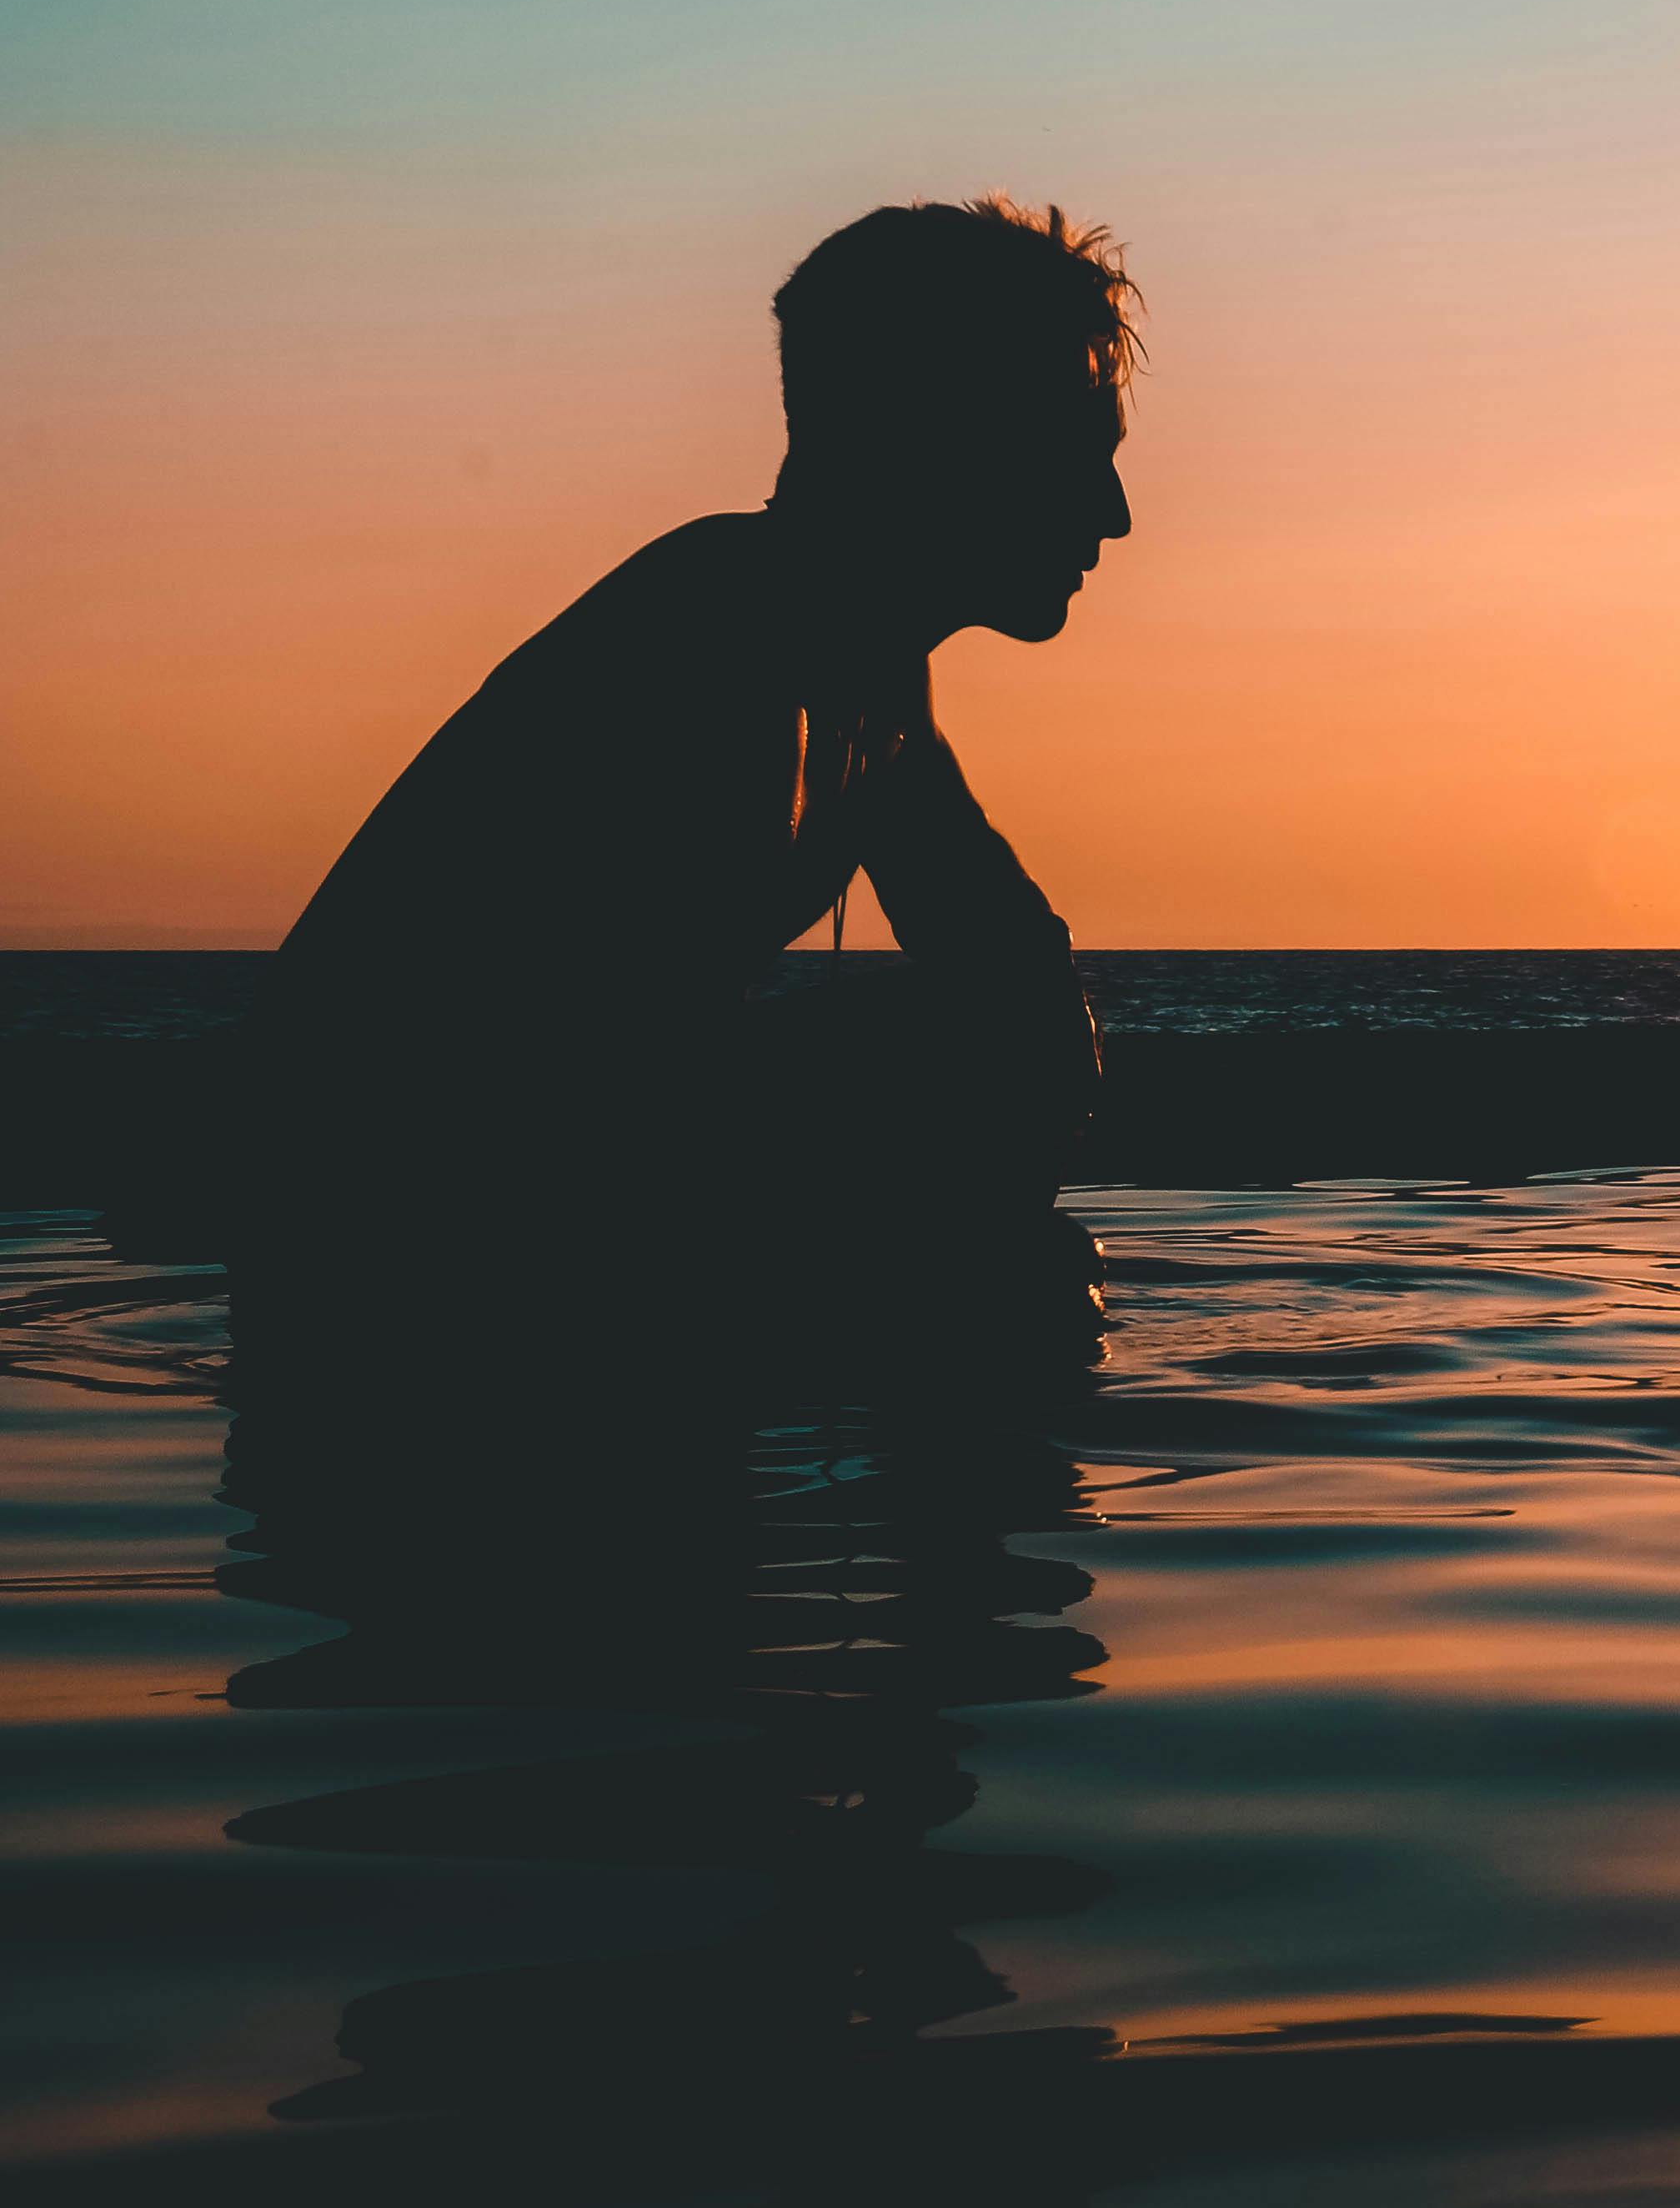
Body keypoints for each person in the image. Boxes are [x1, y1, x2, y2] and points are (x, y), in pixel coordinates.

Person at [241, 195, 1139, 1377]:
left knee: (1011, 1288)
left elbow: (1013, 985)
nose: (1115, 517)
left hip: (473, 1275)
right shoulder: (717, 662)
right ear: (950, 438)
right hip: (405, 1329)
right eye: (1079, 456)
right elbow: (591, 1113)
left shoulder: (859, 666)